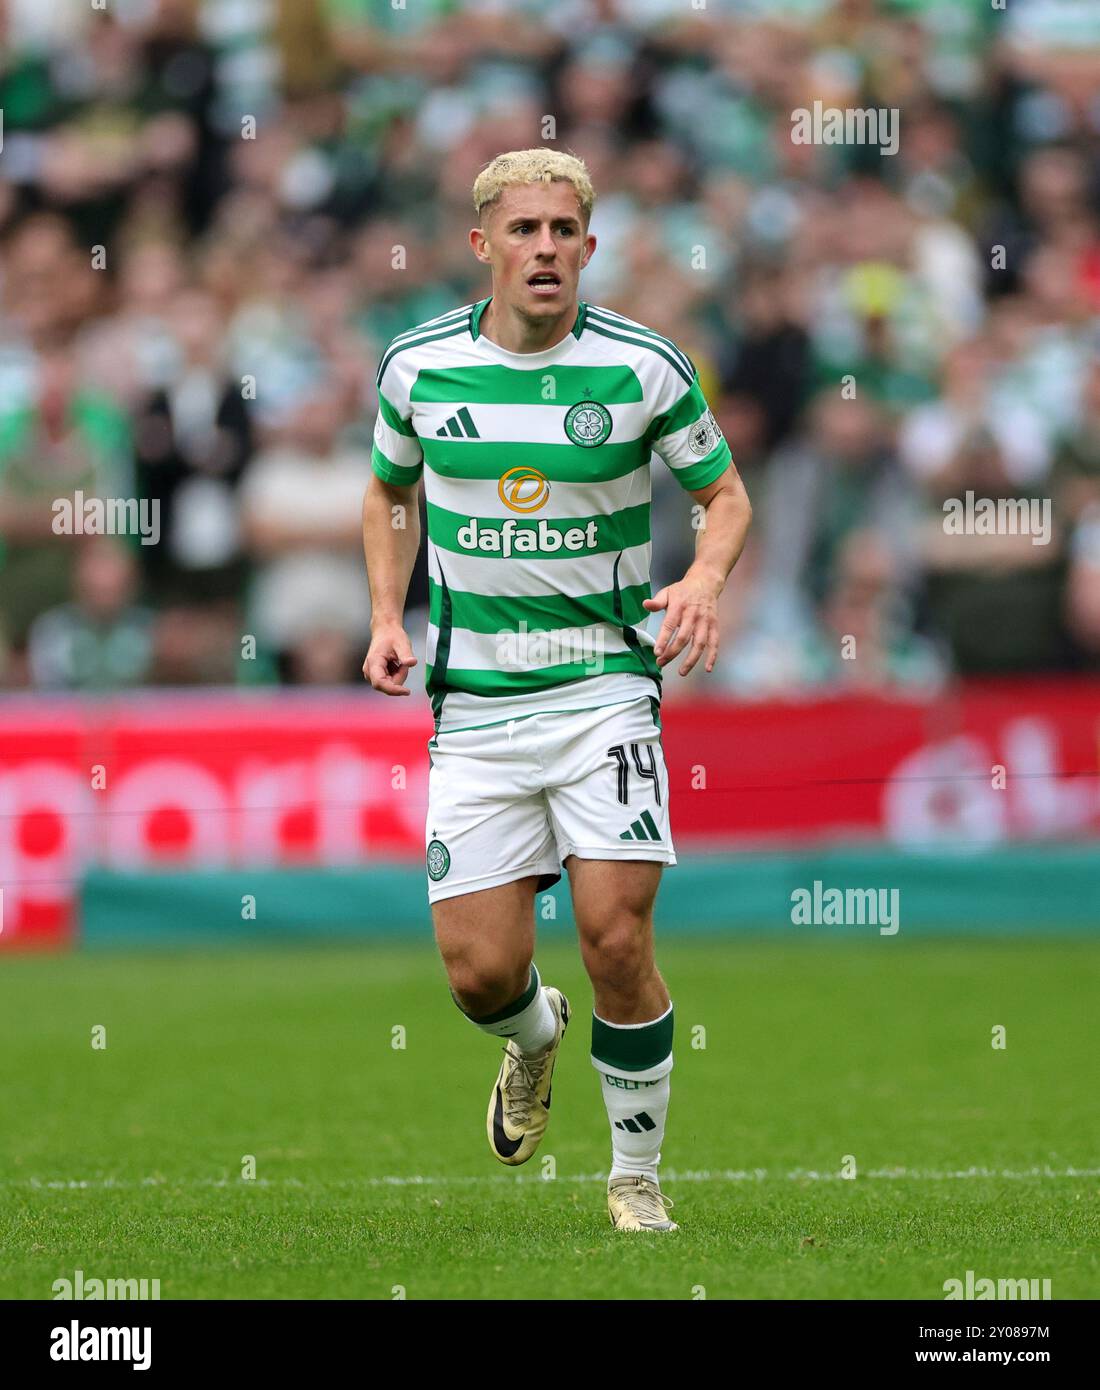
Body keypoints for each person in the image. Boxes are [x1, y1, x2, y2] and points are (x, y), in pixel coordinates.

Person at [362, 149, 752, 1232]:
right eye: (524, 230)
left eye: (563, 231)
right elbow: (389, 491)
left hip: (602, 693)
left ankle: (635, 1179)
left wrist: (704, 577)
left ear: (588, 244)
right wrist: (389, 614)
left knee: (615, 934)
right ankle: (534, 1039)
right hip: (475, 709)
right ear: (481, 245)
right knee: (480, 974)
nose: (545, 249)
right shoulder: (416, 367)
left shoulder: (641, 368)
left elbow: (723, 496)